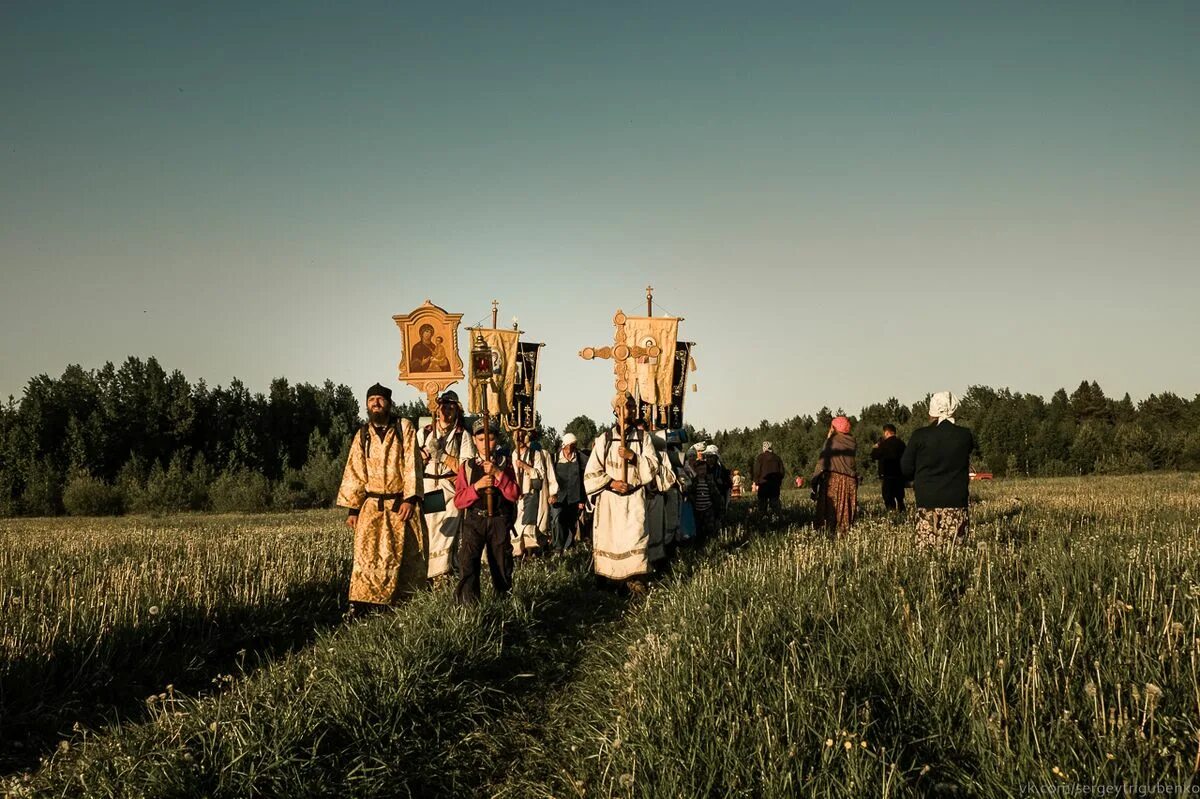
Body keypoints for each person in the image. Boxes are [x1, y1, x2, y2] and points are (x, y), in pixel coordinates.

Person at [336, 383, 425, 614]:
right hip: (371, 506)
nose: (376, 403)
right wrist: (353, 510)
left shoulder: (403, 427)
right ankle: (364, 605)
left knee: (403, 556)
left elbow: (412, 464)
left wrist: (410, 498)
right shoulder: (362, 434)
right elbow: (355, 470)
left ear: (389, 403)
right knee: (367, 556)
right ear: (367, 404)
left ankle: (402, 605)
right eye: (371, 399)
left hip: (399, 504)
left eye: (380, 399)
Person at [584, 394, 661, 594]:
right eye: (628, 406)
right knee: (612, 540)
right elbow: (591, 473)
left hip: (634, 498)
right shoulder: (605, 439)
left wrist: (633, 457)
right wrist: (612, 483)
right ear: (616, 410)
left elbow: (653, 466)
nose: (633, 410)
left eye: (634, 406)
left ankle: (635, 580)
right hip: (610, 500)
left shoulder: (643, 439)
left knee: (635, 537)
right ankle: (611, 581)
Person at [452, 418, 520, 605]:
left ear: (496, 440)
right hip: (475, 520)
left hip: (498, 520)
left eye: (490, 439)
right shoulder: (467, 467)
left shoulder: (505, 463)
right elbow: (459, 500)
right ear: (474, 440)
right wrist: (477, 487)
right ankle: (469, 609)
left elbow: (514, 494)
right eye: (481, 440)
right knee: (469, 565)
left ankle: (503, 606)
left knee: (501, 566)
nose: (486, 445)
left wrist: (498, 474)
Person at [900, 391, 975, 548]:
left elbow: (905, 468)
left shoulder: (919, 436)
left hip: (928, 501)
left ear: (932, 411)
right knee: (956, 553)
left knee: (928, 552)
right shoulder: (964, 435)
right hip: (957, 501)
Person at [419, 390, 475, 582]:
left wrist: (441, 455)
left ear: (457, 410)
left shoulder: (463, 436)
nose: (447, 411)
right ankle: (430, 574)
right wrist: (424, 454)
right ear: (438, 408)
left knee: (450, 528)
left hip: (449, 489)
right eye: (444, 406)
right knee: (434, 528)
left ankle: (443, 573)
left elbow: (465, 467)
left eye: (451, 407)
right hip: (430, 486)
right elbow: (412, 461)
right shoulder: (424, 432)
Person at [512, 429, 558, 558]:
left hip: (536, 494)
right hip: (520, 497)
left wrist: (553, 492)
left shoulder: (539, 454)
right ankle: (520, 556)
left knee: (536, 526)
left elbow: (546, 475)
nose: (520, 439)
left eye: (523, 436)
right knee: (519, 527)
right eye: (517, 436)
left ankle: (535, 555)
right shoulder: (514, 454)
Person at [811, 416, 858, 537]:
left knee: (829, 512)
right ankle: (844, 534)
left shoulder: (832, 441)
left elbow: (822, 463)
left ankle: (828, 536)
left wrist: (814, 482)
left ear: (834, 428)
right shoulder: (852, 441)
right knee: (845, 512)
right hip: (850, 481)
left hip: (834, 480)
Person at [551, 433, 586, 554]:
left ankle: (568, 548)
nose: (572, 448)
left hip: (574, 496)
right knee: (557, 520)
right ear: (564, 445)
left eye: (574, 445)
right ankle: (557, 547)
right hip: (558, 496)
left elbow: (584, 479)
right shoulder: (555, 458)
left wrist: (582, 499)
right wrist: (551, 494)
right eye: (570, 445)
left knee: (571, 522)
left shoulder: (580, 458)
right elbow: (550, 477)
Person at [870, 424, 907, 514]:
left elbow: (874, 456)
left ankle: (892, 513)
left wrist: (875, 447)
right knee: (899, 497)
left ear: (886, 432)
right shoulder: (901, 444)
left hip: (887, 474)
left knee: (888, 497)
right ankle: (902, 512)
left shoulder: (883, 444)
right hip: (899, 473)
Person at [753, 441, 785, 514]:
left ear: (764, 448)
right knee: (775, 504)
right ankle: (777, 520)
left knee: (762, 504)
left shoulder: (760, 457)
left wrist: (756, 482)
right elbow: (782, 472)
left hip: (763, 484)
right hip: (774, 485)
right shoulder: (777, 458)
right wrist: (778, 481)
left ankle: (762, 520)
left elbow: (757, 471)